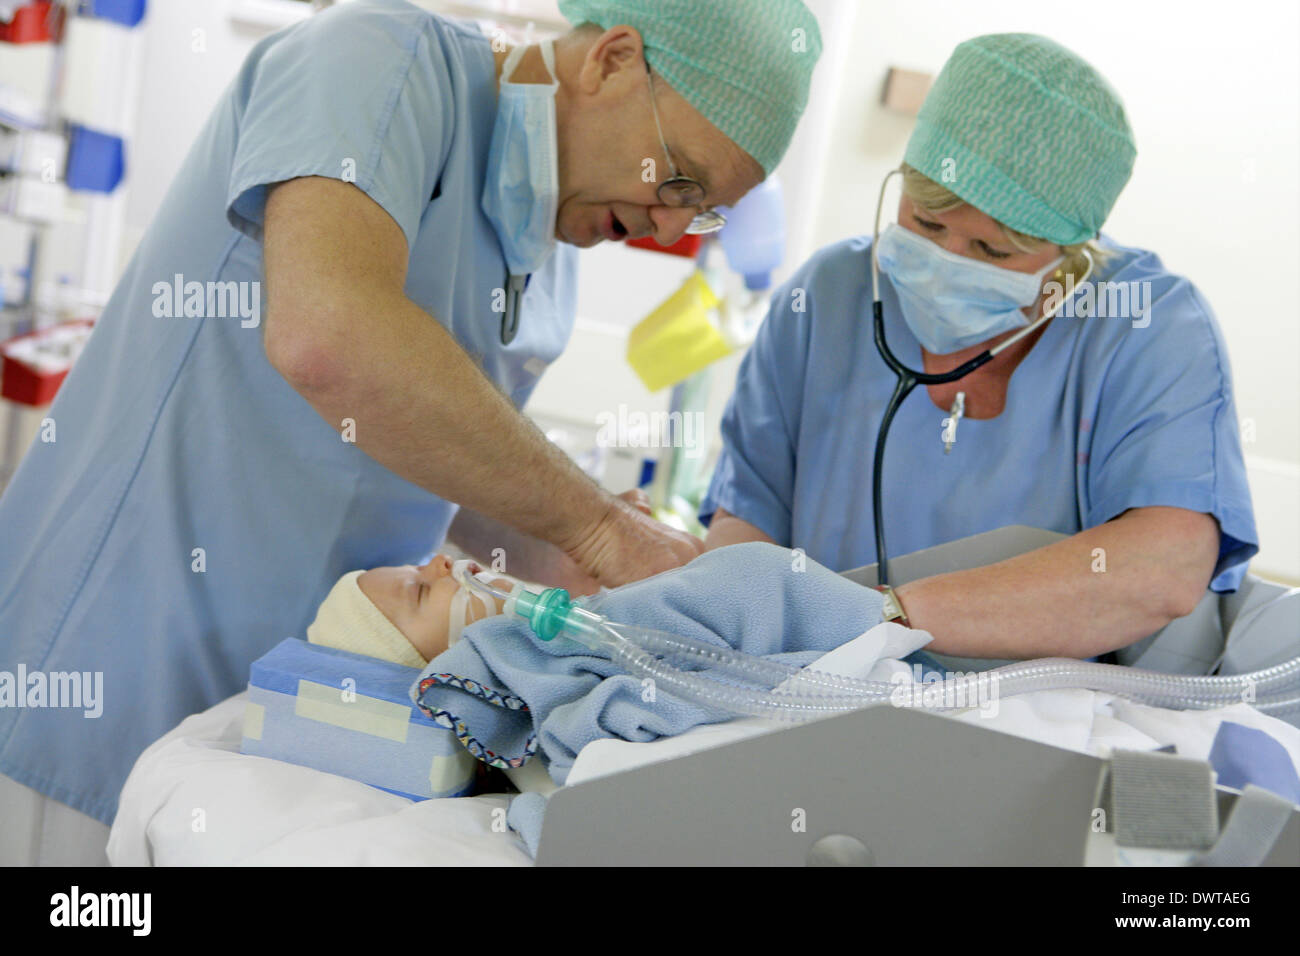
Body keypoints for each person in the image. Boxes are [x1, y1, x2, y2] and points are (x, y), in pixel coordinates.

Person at [0, 0, 823, 863]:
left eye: (702, 213)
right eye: (680, 181)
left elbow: (442, 467)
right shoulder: (375, 62)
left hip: (280, 725)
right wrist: (599, 528)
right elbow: (326, 336)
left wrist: (607, 574)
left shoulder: (549, 261)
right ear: (611, 58)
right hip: (108, 670)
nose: (667, 228)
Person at [701, 33, 1257, 666]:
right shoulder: (827, 297)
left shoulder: (1147, 326)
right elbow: (745, 523)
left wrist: (881, 620)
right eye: (927, 224)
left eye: (993, 251)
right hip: (818, 696)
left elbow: (1160, 569)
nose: (945, 262)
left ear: (1074, 256)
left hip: (1066, 727)